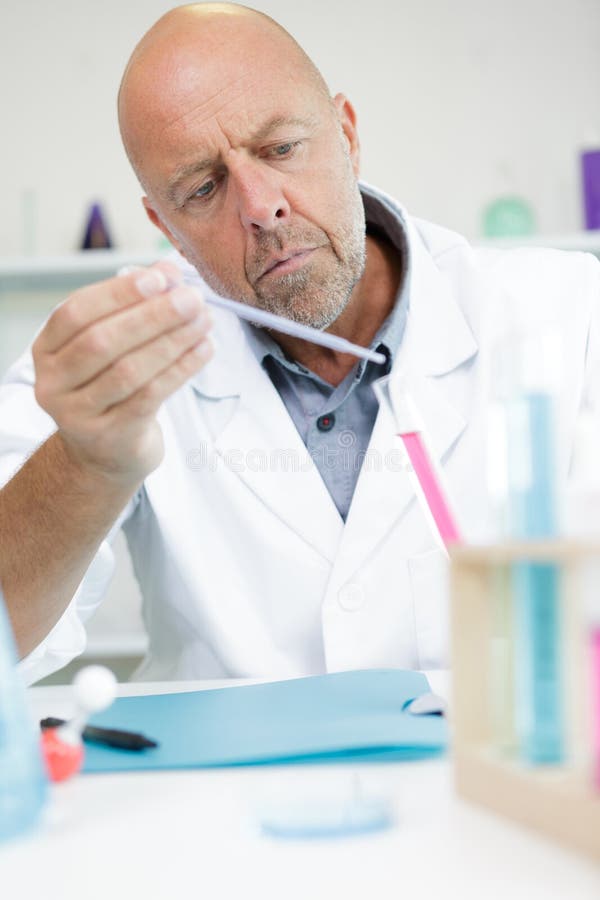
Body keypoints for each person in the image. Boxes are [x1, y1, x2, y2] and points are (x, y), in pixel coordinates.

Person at [0, 3, 599, 684]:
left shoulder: (571, 314)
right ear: (163, 223)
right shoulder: (116, 358)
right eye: (202, 188)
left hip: (503, 784)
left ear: (346, 133)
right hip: (223, 788)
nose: (260, 206)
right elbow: (5, 637)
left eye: (281, 148)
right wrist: (89, 463)